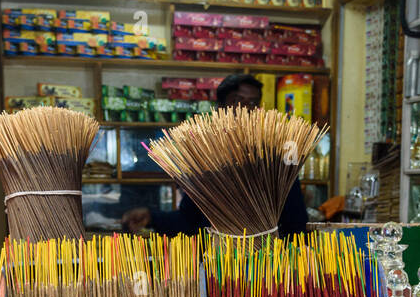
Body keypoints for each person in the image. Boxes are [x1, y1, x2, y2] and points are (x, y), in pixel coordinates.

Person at [120, 73, 310, 236]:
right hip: (218, 266)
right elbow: (189, 220)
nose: (246, 109)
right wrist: (152, 217)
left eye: (253, 102)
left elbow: (296, 222)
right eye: (237, 101)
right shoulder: (208, 162)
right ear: (220, 108)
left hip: (266, 266)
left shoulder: (276, 159)